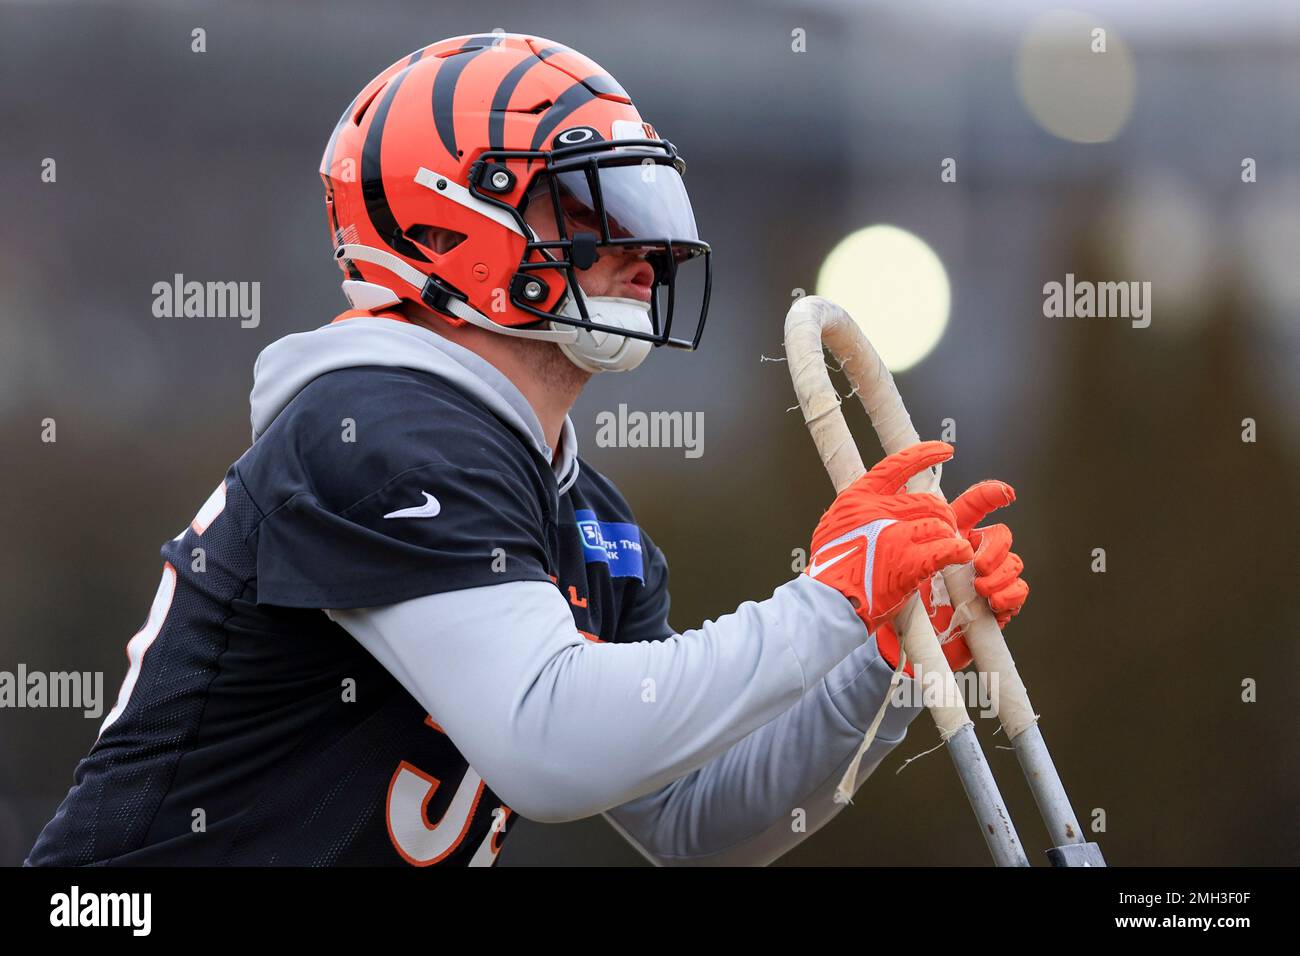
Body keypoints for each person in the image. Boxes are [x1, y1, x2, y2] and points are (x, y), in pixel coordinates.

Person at [28, 33, 1027, 867]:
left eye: (639, 205)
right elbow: (551, 748)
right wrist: (826, 600)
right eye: (587, 206)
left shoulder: (582, 513)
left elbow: (697, 823)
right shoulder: (375, 423)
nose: (643, 248)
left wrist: (881, 654)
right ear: (449, 220)